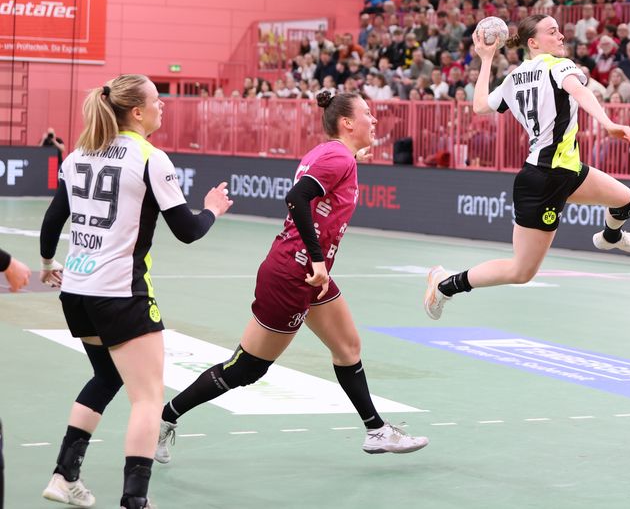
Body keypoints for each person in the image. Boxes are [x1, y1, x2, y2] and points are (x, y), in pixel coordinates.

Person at [155, 90, 428, 466]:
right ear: (347, 123)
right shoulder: (335, 155)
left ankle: (376, 431)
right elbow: (296, 198)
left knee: (348, 348)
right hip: (293, 273)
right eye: (368, 113)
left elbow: (324, 188)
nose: (374, 120)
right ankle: (167, 416)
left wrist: (354, 159)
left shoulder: (331, 154)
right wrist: (317, 260)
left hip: (311, 275)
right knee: (246, 368)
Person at [38, 75, 233, 509]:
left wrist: (50, 264)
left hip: (77, 289)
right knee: (148, 398)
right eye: (157, 101)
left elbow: (53, 220)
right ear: (137, 112)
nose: (163, 106)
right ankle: (135, 501)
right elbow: (187, 230)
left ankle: (64, 476)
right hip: (121, 293)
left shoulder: (78, 155)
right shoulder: (149, 157)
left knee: (107, 375)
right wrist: (213, 210)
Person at [424, 14, 630, 319]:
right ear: (533, 43)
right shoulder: (560, 66)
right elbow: (581, 92)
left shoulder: (514, 78)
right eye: (552, 32)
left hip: (568, 171)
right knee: (521, 271)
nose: (560, 37)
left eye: (559, 31)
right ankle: (444, 285)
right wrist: (608, 123)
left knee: (629, 201)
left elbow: (479, 106)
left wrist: (486, 59)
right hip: (544, 180)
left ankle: (610, 238)